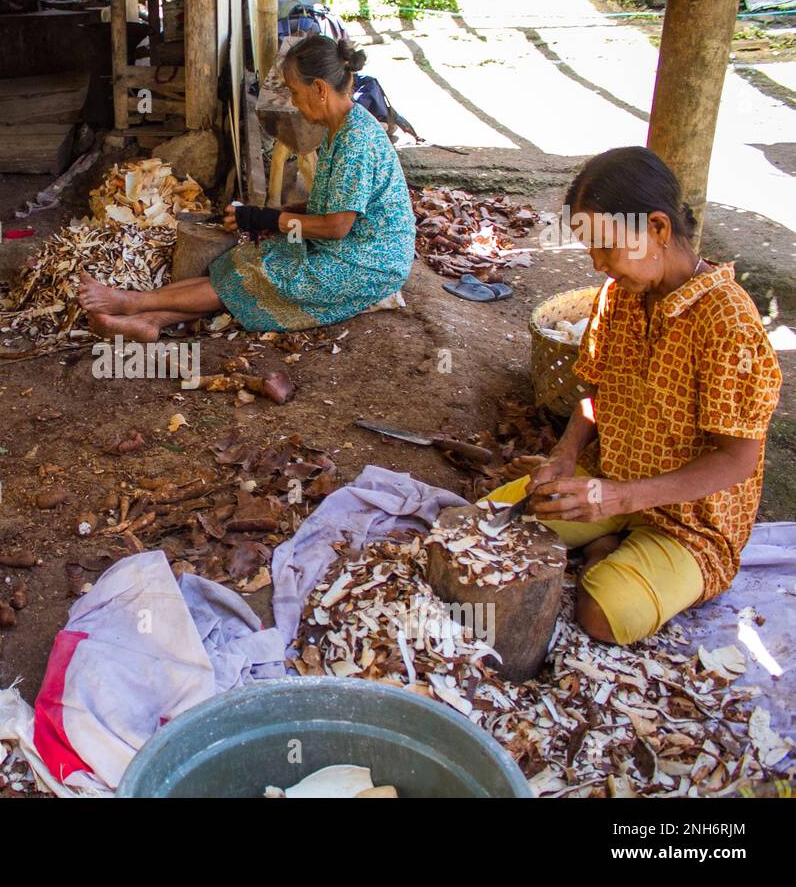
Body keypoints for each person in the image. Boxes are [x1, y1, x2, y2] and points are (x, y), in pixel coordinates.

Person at [486, 147, 782, 645]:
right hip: (609, 478)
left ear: (659, 230)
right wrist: (566, 453)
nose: (600, 264)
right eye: (590, 250)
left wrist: (622, 499)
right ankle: (609, 538)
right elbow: (594, 393)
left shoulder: (727, 321)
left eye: (607, 246)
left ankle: (605, 548)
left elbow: (738, 460)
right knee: (485, 529)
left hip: (691, 520)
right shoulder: (619, 295)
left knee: (603, 617)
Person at [77, 34, 416, 341]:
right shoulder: (340, 127)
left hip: (368, 263)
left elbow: (337, 226)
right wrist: (280, 215)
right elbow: (334, 205)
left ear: (320, 90)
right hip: (349, 248)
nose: (295, 103)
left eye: (296, 93)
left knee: (266, 273)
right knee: (246, 260)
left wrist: (266, 220)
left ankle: (131, 303)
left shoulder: (355, 139)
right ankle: (151, 320)